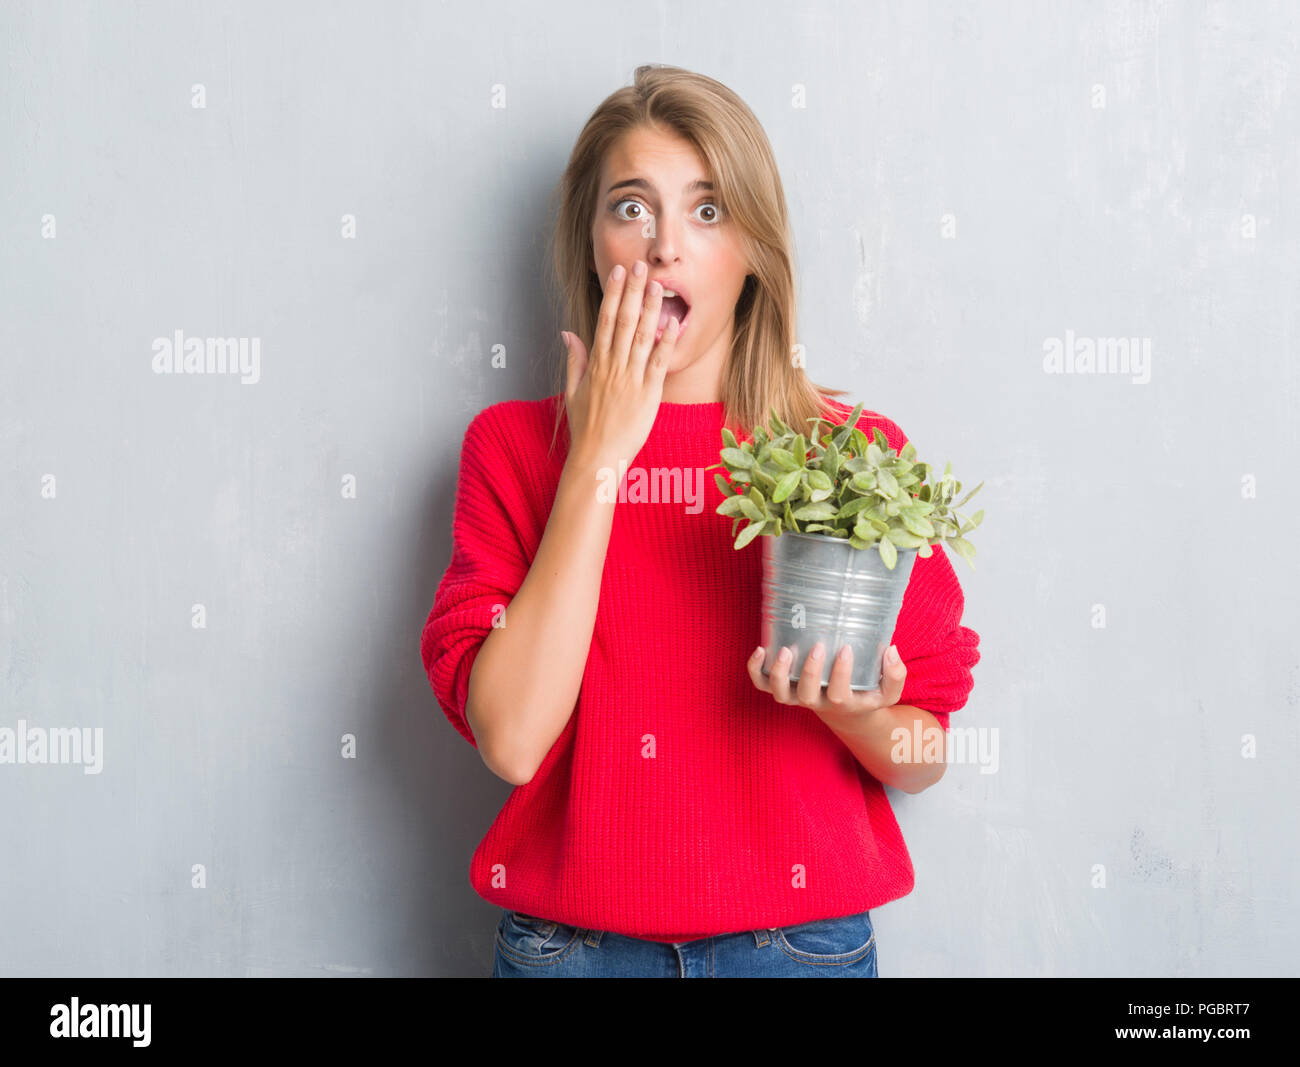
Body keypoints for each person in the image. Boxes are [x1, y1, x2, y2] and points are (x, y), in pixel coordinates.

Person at [420, 64, 980, 978]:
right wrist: (600, 458)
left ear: (754, 249)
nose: (663, 247)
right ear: (592, 242)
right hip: (572, 953)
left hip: (798, 950)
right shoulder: (515, 449)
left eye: (707, 211)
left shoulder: (850, 455)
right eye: (631, 209)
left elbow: (923, 756)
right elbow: (513, 741)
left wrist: (858, 713)